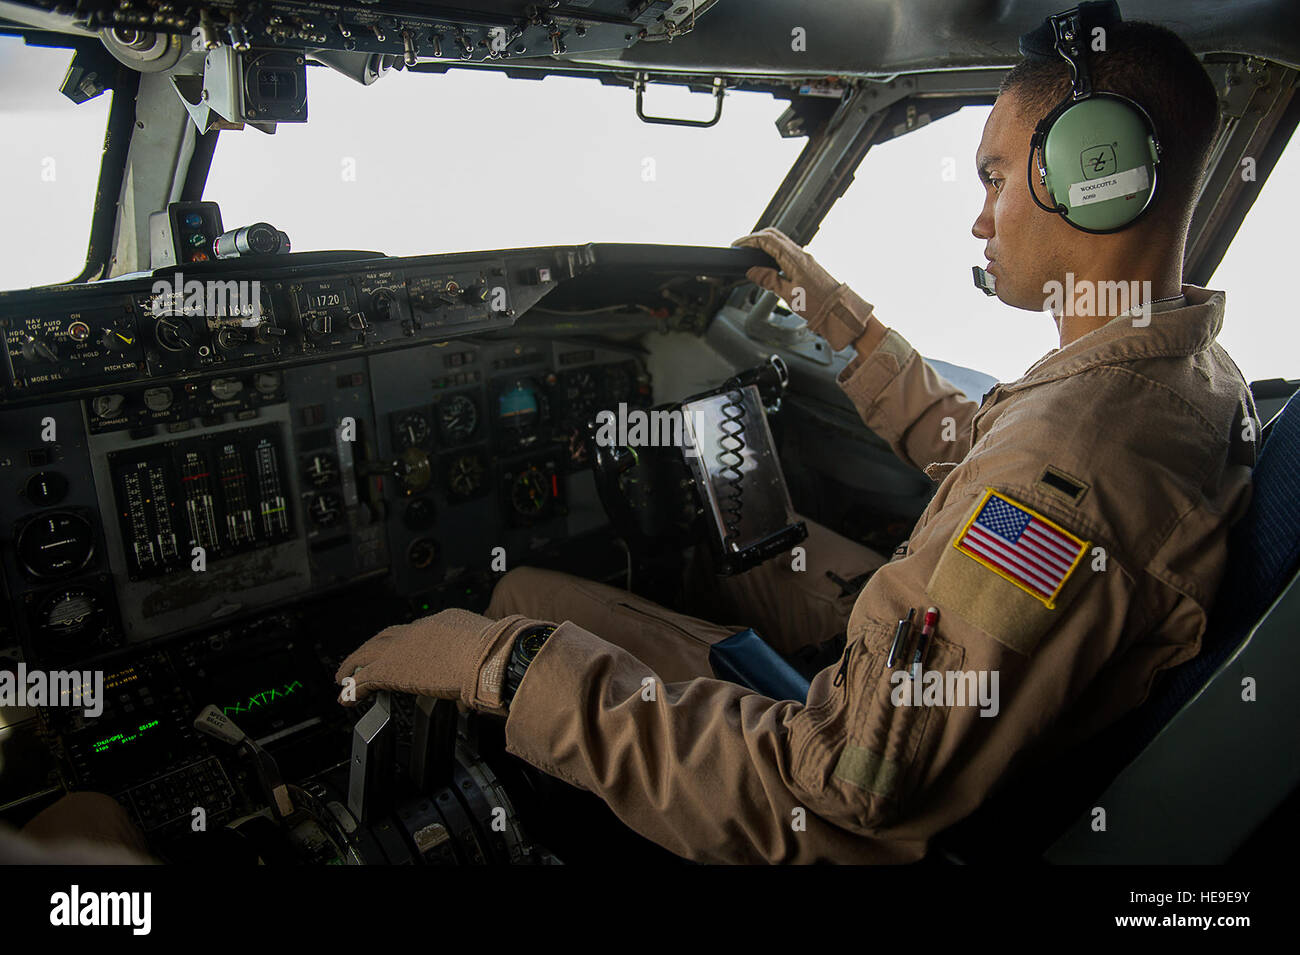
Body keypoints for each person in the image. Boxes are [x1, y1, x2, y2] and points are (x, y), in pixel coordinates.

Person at [336, 15, 1255, 863]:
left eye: (995, 176)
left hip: (850, 779)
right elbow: (984, 450)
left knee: (516, 595)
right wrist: (841, 321)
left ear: (1096, 167)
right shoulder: (1173, 374)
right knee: (758, 547)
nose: (979, 217)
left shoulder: (1074, 460)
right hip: (945, 712)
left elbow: (836, 790)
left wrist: (503, 663)